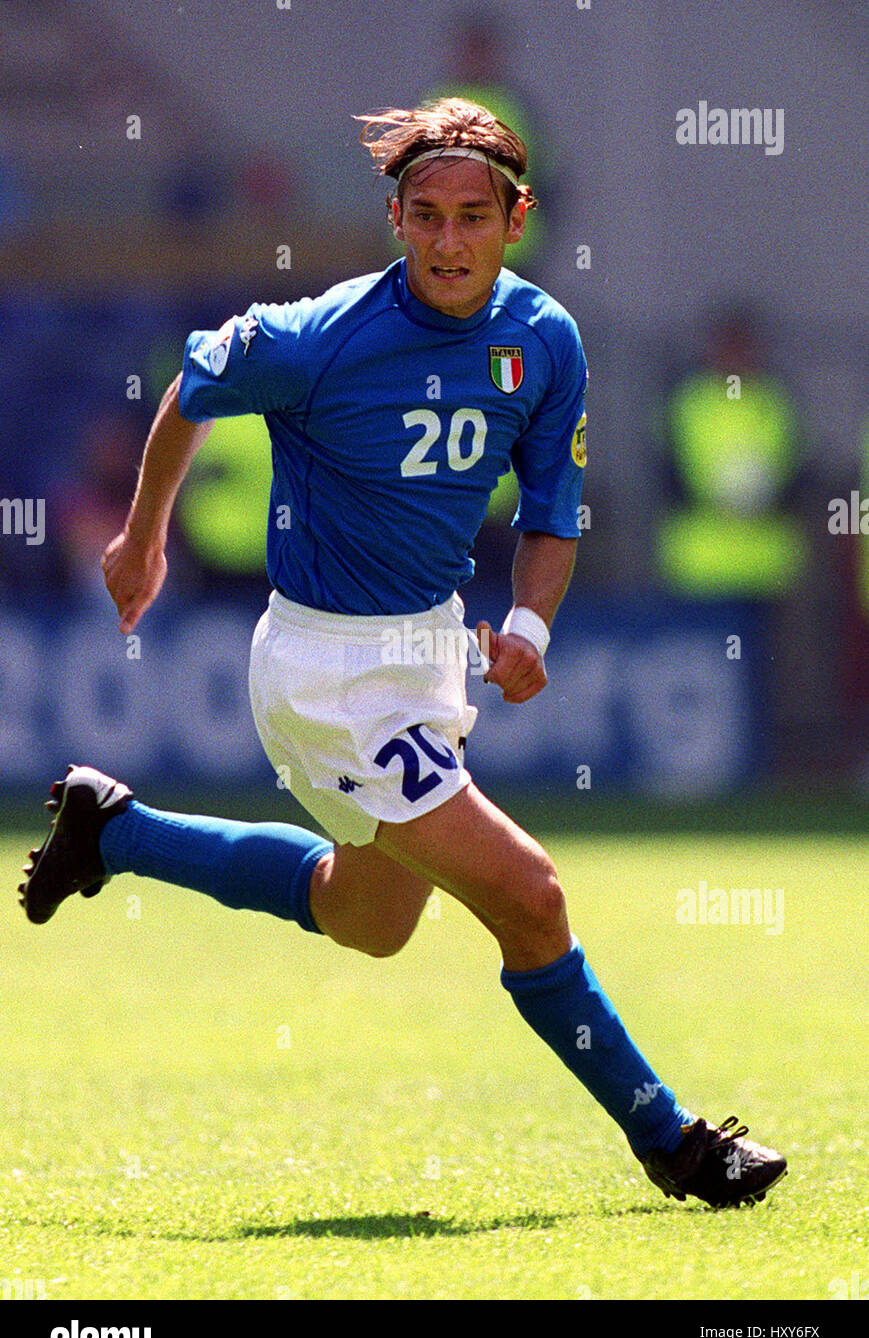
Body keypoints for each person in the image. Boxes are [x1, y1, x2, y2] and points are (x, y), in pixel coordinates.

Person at [19, 98, 785, 1209]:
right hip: (325, 674)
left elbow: (554, 510)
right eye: (423, 216)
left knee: (363, 919)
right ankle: (673, 1142)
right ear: (394, 217)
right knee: (529, 895)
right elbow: (192, 386)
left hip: (425, 659)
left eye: (471, 217)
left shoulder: (543, 340)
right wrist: (142, 540)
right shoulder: (323, 335)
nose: (446, 241)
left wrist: (527, 628)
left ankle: (114, 830)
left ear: (514, 220)